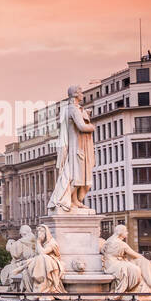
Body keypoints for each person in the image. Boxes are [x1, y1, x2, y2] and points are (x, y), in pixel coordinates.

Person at [49, 84, 95, 213]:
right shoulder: (73, 109)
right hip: (77, 147)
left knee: (79, 177)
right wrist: (92, 126)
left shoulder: (73, 109)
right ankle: (72, 201)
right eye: (81, 92)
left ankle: (75, 201)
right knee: (78, 177)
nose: (83, 94)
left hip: (78, 146)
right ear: (75, 94)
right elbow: (81, 126)